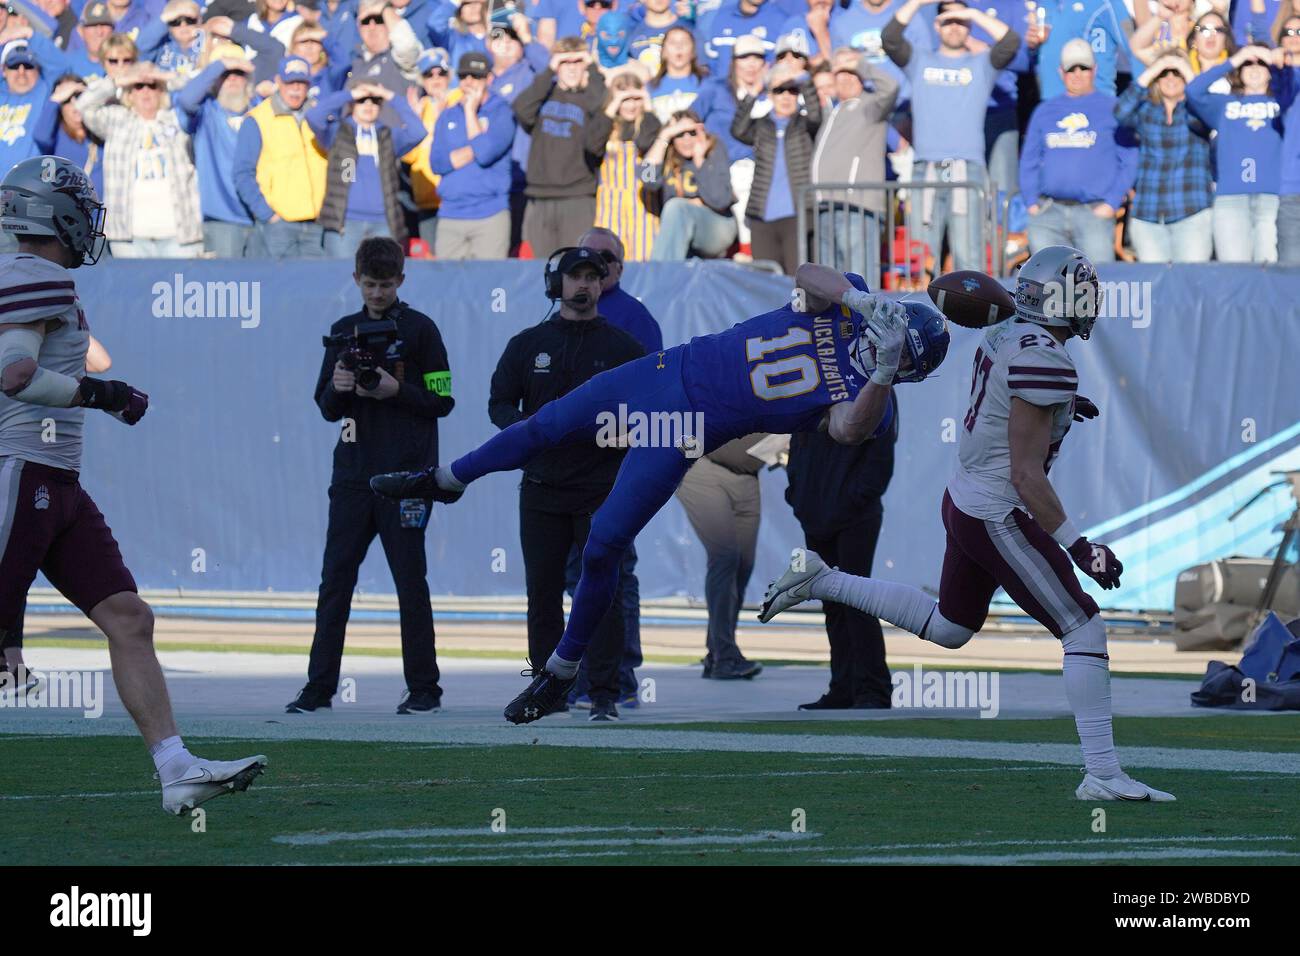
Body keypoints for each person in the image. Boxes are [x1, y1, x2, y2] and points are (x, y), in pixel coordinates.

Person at [371, 264, 950, 723]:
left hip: (683, 431)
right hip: (663, 370)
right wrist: (862, 303)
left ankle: (561, 671)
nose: (882, 352)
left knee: (603, 545)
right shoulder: (846, 305)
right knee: (545, 425)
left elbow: (848, 429)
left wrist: (879, 373)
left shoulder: (870, 398)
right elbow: (807, 272)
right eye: (885, 341)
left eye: (898, 361)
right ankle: (445, 480)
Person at [760, 245, 1177, 804]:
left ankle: (821, 581)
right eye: (1082, 289)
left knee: (952, 628)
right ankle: (1102, 773)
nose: (1091, 300)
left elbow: (1009, 402)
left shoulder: (1007, 332)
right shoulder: (1044, 358)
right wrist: (1079, 546)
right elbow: (1028, 475)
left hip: (965, 497)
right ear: (1059, 298)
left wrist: (1062, 406)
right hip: (995, 510)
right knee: (1083, 627)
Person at [0, 155, 267, 814]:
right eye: (80, 208)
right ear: (50, 212)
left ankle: (175, 767)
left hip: (56, 476)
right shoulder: (33, 275)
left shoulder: (38, 276)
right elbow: (12, 372)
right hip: (19, 468)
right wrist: (103, 392)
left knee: (129, 617)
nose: (89, 222)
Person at [288, 237, 455, 716]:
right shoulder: (343, 332)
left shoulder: (422, 330)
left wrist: (395, 389)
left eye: (385, 284)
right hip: (353, 476)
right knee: (334, 582)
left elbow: (443, 400)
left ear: (401, 280)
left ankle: (424, 688)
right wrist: (341, 388)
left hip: (405, 477)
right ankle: (318, 688)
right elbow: (324, 407)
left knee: (410, 581)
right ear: (355, 279)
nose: (377, 293)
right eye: (369, 284)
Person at [484, 247, 645, 721]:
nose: (584, 285)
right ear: (557, 284)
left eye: (592, 277)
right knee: (542, 592)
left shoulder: (621, 348)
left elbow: (648, 410)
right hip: (541, 487)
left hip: (600, 490)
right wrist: (526, 434)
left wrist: (616, 432)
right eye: (575, 276)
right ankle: (546, 690)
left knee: (603, 592)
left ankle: (604, 695)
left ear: (602, 285)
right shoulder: (527, 343)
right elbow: (497, 404)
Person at [885, 0, 1018, 274]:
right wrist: (919, 3)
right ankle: (919, 316)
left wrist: (972, 14)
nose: (954, 26)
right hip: (926, 170)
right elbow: (890, 38)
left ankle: (970, 317)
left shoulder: (982, 64)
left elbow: (1011, 42)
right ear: (937, 26)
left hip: (968, 171)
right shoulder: (920, 60)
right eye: (948, 20)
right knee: (920, 259)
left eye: (961, 21)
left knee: (969, 259)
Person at [784, 383, 896, 708]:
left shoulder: (875, 388)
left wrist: (853, 499)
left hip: (853, 517)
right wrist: (799, 495)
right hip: (815, 512)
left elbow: (880, 458)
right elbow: (798, 441)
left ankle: (873, 689)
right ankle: (843, 687)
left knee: (857, 602)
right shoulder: (812, 386)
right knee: (832, 604)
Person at [1019, 38, 1136, 264]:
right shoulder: (1045, 110)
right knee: (1048, 286)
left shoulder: (1113, 107)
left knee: (1096, 284)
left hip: (1094, 212)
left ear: (1095, 70)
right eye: (1072, 68)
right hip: (1047, 213)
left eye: (1084, 68)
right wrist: (1031, 202)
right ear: (1061, 72)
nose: (1078, 74)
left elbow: (1129, 159)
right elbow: (1029, 159)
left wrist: (1111, 202)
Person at [77, 61, 204, 257]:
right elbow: (84, 105)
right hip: (128, 235)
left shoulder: (177, 119)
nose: (145, 91)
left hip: (179, 233)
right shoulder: (117, 120)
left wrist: (166, 76)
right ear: (130, 93)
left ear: (162, 91)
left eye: (152, 86)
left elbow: (200, 90)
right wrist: (121, 80)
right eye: (139, 86)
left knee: (180, 288)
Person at [676, 434, 767, 680]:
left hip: (748, 473)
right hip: (702, 464)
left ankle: (717, 652)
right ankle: (724, 655)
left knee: (743, 564)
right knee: (725, 556)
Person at [1186, 43, 1286, 262]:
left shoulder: (1283, 103)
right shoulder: (1224, 104)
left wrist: (1277, 63)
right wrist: (1234, 59)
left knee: (1270, 274)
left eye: (1261, 63)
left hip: (1273, 198)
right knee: (1234, 274)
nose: (1254, 66)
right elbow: (1193, 91)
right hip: (1230, 198)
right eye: (1248, 63)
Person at [1114, 50, 1214, 262]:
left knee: (1190, 288)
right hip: (1148, 214)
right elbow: (1120, 112)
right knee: (1155, 289)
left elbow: (1210, 108)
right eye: (1164, 74)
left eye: (1176, 73)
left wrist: (1185, 68)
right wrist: (1153, 69)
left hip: (1192, 211)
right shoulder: (1146, 111)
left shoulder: (1196, 111)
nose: (1170, 79)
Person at [513, 37, 607, 259]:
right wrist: (549, 71)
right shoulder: (544, 93)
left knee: (575, 266)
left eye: (578, 62)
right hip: (540, 195)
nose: (572, 69)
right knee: (542, 270)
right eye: (566, 63)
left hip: (578, 195)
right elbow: (521, 109)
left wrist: (591, 67)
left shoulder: (590, 97)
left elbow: (600, 105)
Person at [310, 79, 427, 256]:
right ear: (353, 103)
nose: (368, 104)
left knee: (383, 281)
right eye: (362, 100)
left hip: (383, 224)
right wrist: (350, 94)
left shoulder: (388, 135)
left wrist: (389, 96)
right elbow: (314, 116)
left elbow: (418, 131)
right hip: (344, 224)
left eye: (375, 100)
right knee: (339, 280)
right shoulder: (337, 132)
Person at [810, 47, 897, 280]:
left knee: (859, 279)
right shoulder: (832, 111)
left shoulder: (870, 106)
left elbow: (891, 87)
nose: (847, 77)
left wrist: (861, 63)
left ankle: (866, 319)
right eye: (841, 72)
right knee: (830, 283)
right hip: (825, 206)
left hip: (857, 208)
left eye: (852, 72)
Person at [234, 55, 329, 258]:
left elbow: (345, 158)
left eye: (301, 83)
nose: (295, 89)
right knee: (284, 286)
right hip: (280, 225)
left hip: (317, 223)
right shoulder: (257, 119)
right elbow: (242, 173)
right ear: (278, 82)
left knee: (320, 286)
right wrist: (268, 214)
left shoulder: (320, 116)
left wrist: (342, 197)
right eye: (290, 82)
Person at [733, 59, 821, 275]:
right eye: (779, 90)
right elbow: (738, 130)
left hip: (797, 214)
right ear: (770, 94)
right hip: (762, 216)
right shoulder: (762, 126)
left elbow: (816, 116)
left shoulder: (803, 125)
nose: (785, 96)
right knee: (766, 282)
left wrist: (803, 79)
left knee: (797, 279)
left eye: (792, 90)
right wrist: (754, 93)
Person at [176, 43, 261, 257]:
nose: (232, 79)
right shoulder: (205, 113)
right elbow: (186, 99)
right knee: (228, 286)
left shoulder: (260, 109)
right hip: (221, 219)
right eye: (224, 74)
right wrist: (220, 64)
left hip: (261, 215)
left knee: (265, 287)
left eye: (238, 73)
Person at [429, 49, 516, 258]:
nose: (469, 81)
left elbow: (485, 153)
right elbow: (437, 163)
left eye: (476, 76)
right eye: (463, 76)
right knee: (448, 289)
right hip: (450, 213)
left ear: (489, 78)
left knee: (486, 285)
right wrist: (473, 150)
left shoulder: (502, 112)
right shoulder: (447, 115)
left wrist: (470, 111)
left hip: (489, 214)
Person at [693, 32, 768, 260]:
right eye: (745, 58)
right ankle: (747, 251)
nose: (751, 65)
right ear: (734, 62)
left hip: (763, 168)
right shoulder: (716, 89)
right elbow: (690, 118)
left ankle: (753, 253)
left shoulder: (773, 93)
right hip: (724, 167)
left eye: (757, 58)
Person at [645, 108, 738, 258]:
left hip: (718, 226)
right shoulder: (666, 156)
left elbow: (719, 199)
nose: (687, 139)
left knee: (676, 207)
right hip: (682, 232)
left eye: (692, 133)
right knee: (677, 208)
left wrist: (700, 160)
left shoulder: (713, 148)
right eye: (680, 134)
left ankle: (660, 276)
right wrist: (663, 136)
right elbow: (648, 181)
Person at [590, 71, 661, 259]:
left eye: (635, 99)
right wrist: (613, 105)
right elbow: (592, 146)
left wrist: (647, 106)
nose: (630, 105)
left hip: (643, 204)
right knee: (607, 260)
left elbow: (647, 142)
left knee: (643, 259)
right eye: (625, 99)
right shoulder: (606, 124)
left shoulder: (649, 124)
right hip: (610, 205)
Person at [1025, 0, 1131, 99]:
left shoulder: (1108, 3)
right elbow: (1037, 58)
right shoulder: (1044, 3)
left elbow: (1134, 47)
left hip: (1093, 103)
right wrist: (1032, 46)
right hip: (1052, 103)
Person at [704, 0, 787, 73]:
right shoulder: (722, 17)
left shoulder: (781, 21)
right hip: (723, 88)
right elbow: (712, 63)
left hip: (762, 89)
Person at [648, 23, 707, 121]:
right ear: (663, 52)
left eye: (684, 42)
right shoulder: (650, 87)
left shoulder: (707, 84)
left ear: (693, 51)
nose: (679, 47)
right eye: (672, 43)